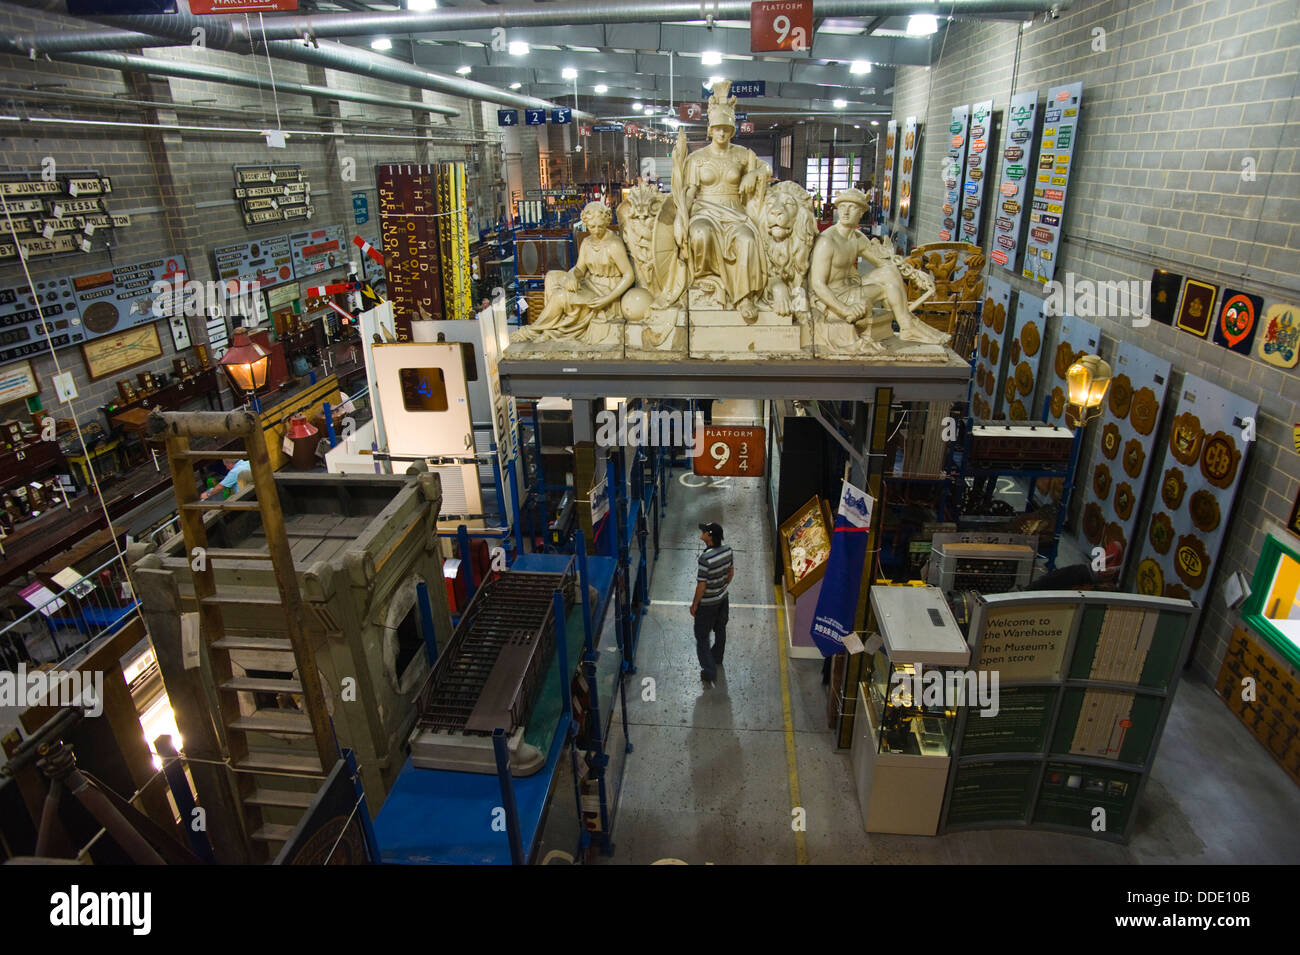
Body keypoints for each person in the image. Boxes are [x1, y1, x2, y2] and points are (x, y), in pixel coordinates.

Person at [809, 188, 950, 348]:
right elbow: (818, 285)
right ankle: (907, 324)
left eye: (852, 207)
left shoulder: (858, 238)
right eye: (842, 207)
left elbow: (885, 263)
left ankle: (907, 325)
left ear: (861, 212)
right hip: (832, 298)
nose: (846, 212)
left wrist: (916, 275)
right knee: (887, 285)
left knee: (889, 272)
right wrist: (845, 310)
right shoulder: (827, 241)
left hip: (850, 288)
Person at [691, 521, 734, 688]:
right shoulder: (728, 550)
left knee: (702, 637)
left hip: (707, 605)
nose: (701, 533)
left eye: (703, 531)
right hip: (723, 599)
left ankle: (709, 672)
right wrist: (721, 587)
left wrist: (695, 604)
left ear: (709, 536)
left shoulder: (705, 558)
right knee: (720, 629)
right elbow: (731, 573)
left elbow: (701, 586)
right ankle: (717, 657)